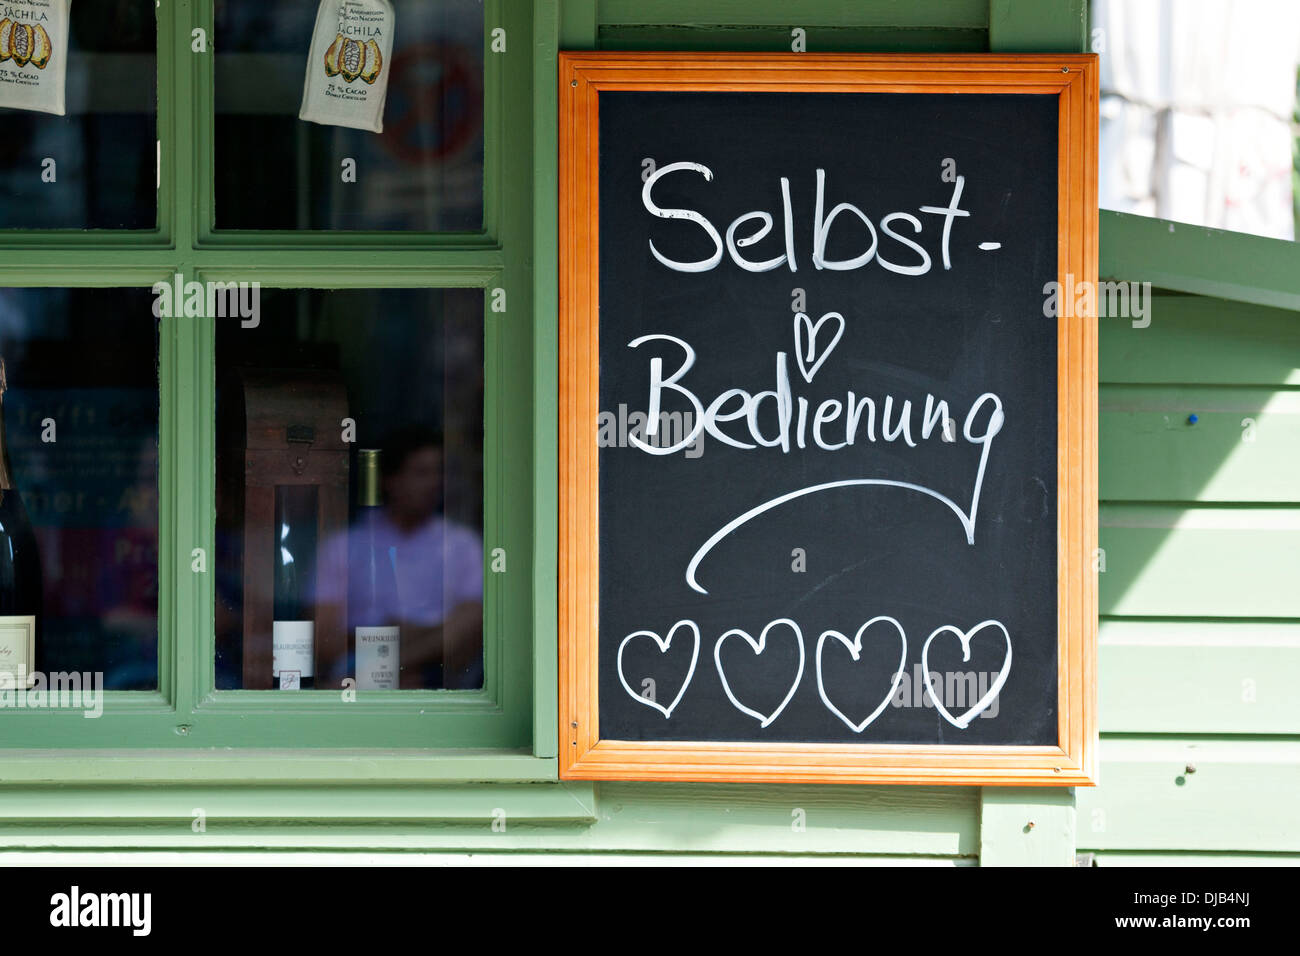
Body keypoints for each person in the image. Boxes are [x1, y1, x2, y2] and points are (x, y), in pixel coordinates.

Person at [316, 426, 484, 689]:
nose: (434, 483)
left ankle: (388, 670)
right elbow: (322, 637)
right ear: (390, 479)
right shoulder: (345, 545)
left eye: (439, 473)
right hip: (355, 664)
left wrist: (398, 641)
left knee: (474, 618)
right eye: (421, 473)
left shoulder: (463, 545)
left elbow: (471, 627)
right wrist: (389, 635)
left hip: (437, 672)